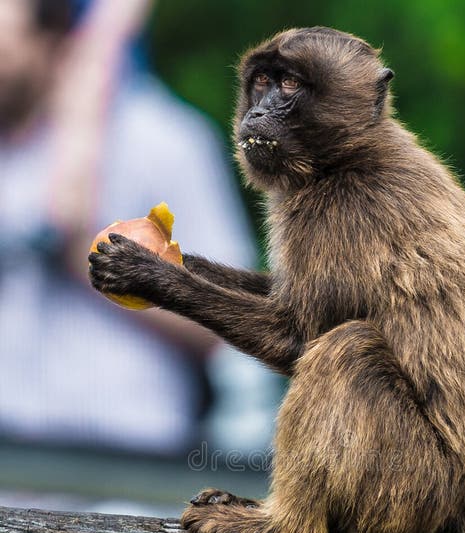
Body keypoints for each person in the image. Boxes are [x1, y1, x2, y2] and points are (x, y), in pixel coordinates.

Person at [0, 0, 278, 457]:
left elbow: (238, 321)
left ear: (53, 34)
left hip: (126, 475)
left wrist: (93, 263)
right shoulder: (12, 142)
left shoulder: (165, 142)